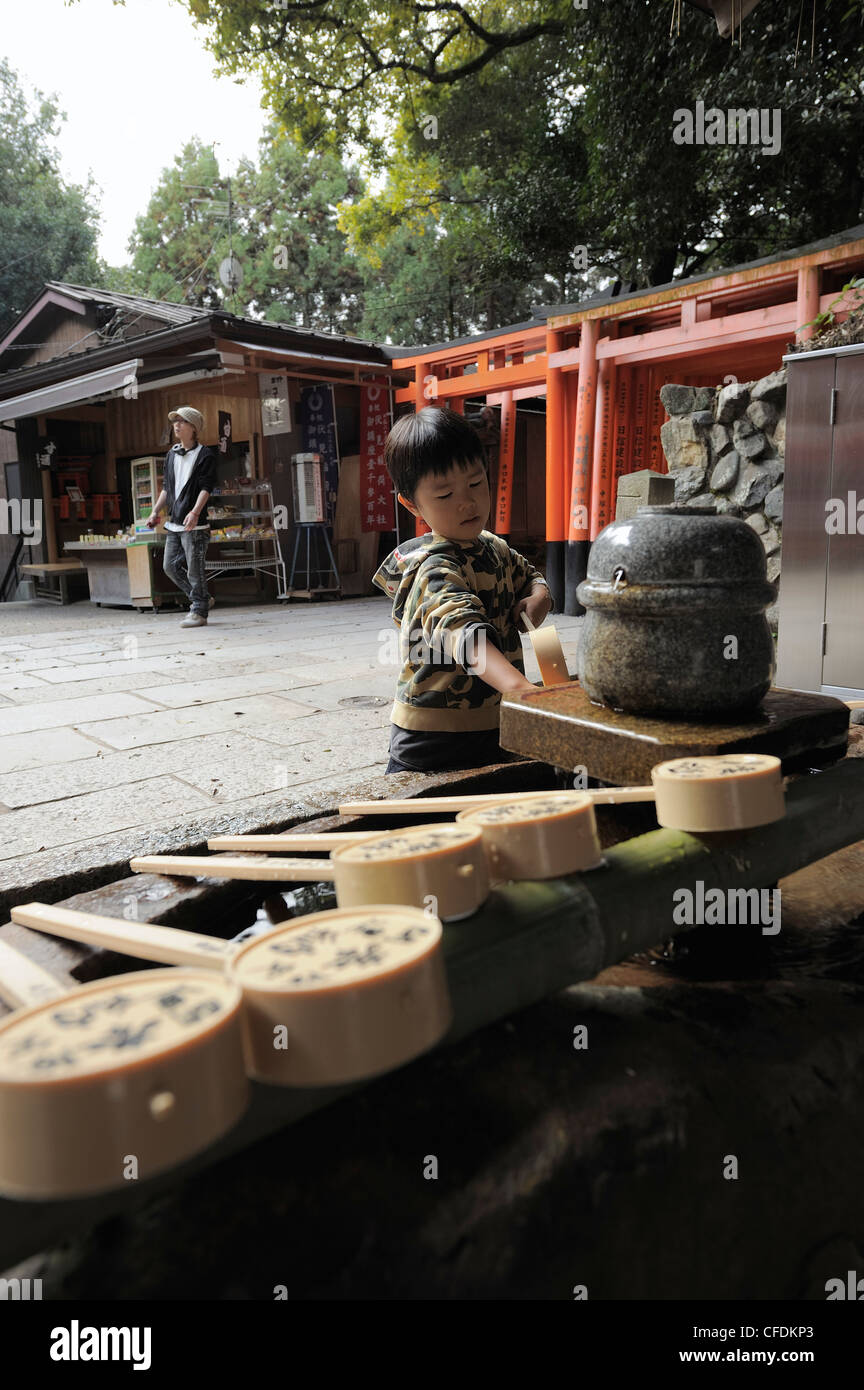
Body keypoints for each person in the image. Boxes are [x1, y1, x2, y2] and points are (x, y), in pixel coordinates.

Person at [373, 406, 552, 774]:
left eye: (475, 483)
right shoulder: (433, 568)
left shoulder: (493, 547)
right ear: (411, 503)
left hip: (496, 720)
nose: (467, 502)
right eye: (444, 494)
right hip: (434, 734)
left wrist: (538, 599)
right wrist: (524, 691)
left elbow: (531, 577)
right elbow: (465, 637)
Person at [146, 406, 218, 628]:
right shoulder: (171, 454)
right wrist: (155, 511)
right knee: (169, 566)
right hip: (174, 523)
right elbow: (167, 488)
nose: (176, 425)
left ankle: (199, 612)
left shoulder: (205, 454)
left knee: (195, 571)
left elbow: (207, 487)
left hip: (194, 525)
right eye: (175, 421)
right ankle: (201, 600)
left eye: (182, 421)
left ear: (194, 427)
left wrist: (195, 512)